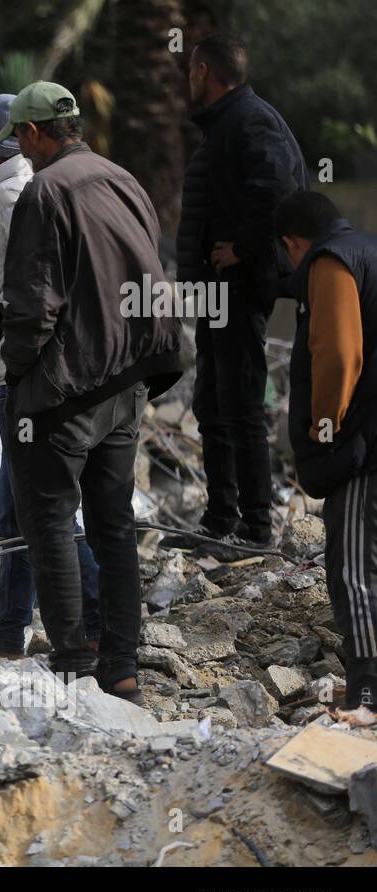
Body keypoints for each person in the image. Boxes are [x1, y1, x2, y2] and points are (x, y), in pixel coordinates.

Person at [0, 81, 183, 700]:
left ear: (32, 133)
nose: (20, 148)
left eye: (18, 137)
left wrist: (17, 371)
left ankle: (74, 663)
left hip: (68, 388)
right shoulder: (122, 178)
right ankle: (122, 668)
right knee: (114, 525)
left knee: (49, 521)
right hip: (127, 381)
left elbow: (33, 303)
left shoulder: (43, 192)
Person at [0, 92, 102, 661]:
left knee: (40, 508)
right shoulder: (15, 188)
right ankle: (12, 633)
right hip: (21, 373)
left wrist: (16, 356)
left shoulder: (11, 193)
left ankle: (93, 628)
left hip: (26, 378)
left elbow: (35, 287)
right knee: (19, 509)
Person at [167, 33, 308, 555]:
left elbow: (278, 188)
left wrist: (244, 248)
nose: (186, 80)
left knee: (242, 405)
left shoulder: (250, 121)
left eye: (190, 70)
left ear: (203, 70)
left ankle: (253, 530)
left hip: (239, 289)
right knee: (213, 401)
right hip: (216, 290)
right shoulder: (227, 124)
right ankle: (220, 520)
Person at [275, 191, 377, 723]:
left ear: (293, 243)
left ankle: (367, 694)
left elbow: (339, 354)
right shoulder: (368, 249)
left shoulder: (332, 261)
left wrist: (326, 432)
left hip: (363, 445)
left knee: (353, 567)